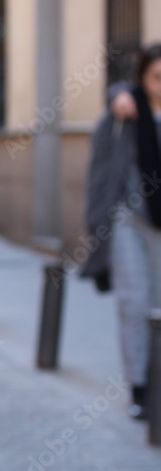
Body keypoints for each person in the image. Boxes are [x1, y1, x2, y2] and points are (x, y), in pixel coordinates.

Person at [81, 44, 161, 420]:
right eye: (156, 77)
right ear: (142, 79)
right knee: (134, 304)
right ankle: (139, 388)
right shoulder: (124, 114)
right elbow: (99, 173)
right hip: (129, 221)